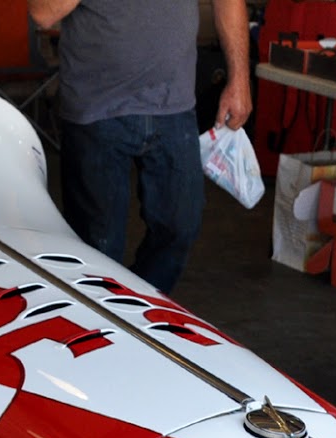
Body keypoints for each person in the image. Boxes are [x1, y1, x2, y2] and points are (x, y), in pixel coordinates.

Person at [27, 0, 252, 294]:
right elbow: (43, 13)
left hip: (174, 106)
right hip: (97, 110)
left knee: (179, 229)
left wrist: (239, 80)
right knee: (98, 245)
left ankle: (132, 307)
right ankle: (100, 323)